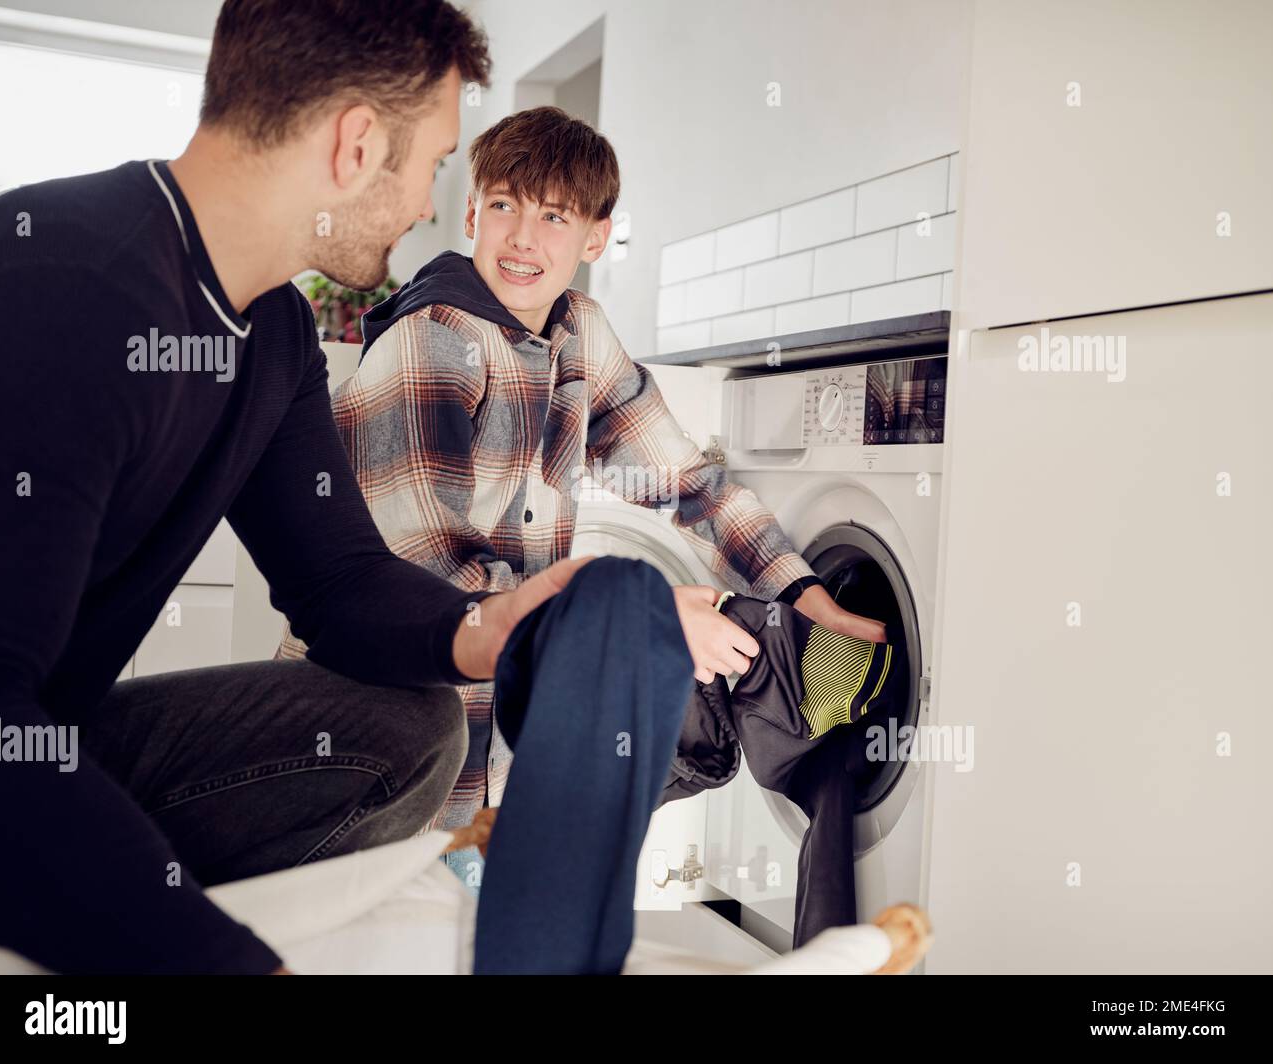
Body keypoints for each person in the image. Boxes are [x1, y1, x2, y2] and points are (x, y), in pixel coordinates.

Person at [0, 0, 592, 976]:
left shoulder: (273, 333)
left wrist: (487, 627)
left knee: (410, 725)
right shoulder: (61, 286)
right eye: (432, 162)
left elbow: (338, 578)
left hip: (40, 738)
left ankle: (111, 905)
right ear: (355, 145)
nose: (426, 206)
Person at [276, 105, 889, 887]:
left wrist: (801, 590)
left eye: (555, 216)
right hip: (374, 748)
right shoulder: (434, 340)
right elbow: (429, 583)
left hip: (488, 761)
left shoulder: (578, 334)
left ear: (595, 237)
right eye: (504, 205)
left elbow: (685, 482)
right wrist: (642, 625)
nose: (523, 239)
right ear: (472, 212)